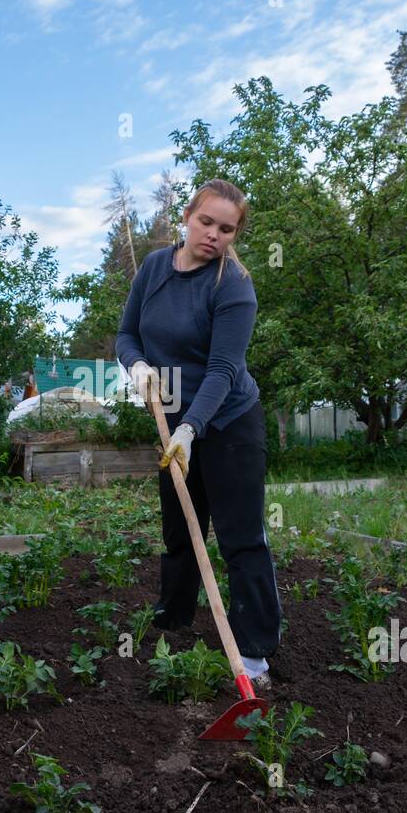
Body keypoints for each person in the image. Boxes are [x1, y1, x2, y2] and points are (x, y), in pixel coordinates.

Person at [114, 178, 281, 688]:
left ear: (234, 235)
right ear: (187, 216)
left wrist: (191, 428)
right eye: (206, 221)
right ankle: (174, 623)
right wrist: (136, 364)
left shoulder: (233, 286)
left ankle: (253, 653)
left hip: (228, 421)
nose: (213, 234)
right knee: (180, 533)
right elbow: (127, 334)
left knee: (241, 538)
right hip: (171, 421)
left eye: (226, 229)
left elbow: (223, 369)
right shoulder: (154, 270)